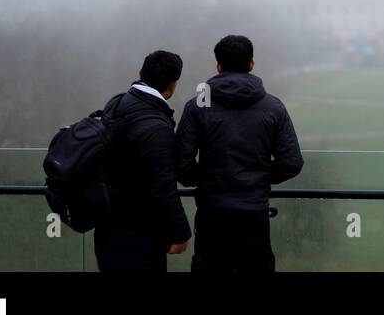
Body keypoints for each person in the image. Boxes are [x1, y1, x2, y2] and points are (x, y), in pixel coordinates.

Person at [175, 34, 304, 272]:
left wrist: (206, 179)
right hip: (254, 212)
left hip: (212, 212)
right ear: (252, 63)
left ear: (218, 66)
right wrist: (259, 176)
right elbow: (292, 163)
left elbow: (181, 165)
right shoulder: (273, 107)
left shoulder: (197, 107)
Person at [94, 50, 192, 272]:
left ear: (140, 73)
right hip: (139, 232)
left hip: (106, 225)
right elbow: (162, 184)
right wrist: (180, 233)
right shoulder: (156, 125)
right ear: (173, 85)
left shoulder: (116, 103)